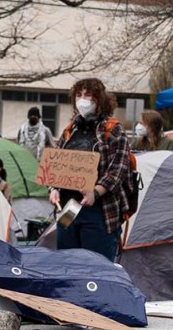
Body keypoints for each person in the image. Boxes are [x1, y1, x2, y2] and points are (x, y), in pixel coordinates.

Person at [45, 77, 133, 261]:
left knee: (96, 264)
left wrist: (96, 192)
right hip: (69, 208)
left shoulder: (112, 129)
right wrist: (53, 188)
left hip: (99, 210)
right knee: (67, 260)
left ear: (99, 99)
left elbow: (119, 169)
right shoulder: (71, 129)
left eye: (89, 95)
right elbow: (55, 165)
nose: (83, 99)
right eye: (79, 95)